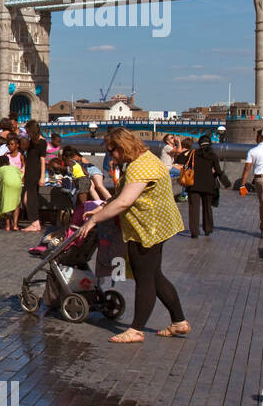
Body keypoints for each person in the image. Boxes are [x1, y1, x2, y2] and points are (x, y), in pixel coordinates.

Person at [77, 128, 187, 343]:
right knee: (154, 275)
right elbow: (120, 197)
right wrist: (101, 208)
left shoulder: (139, 167)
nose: (112, 155)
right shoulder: (147, 159)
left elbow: (125, 201)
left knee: (144, 279)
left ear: (122, 146)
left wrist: (94, 220)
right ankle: (179, 321)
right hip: (159, 225)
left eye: (113, 151)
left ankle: (136, 329)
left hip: (147, 229)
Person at [186, 134, 229, 238]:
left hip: (193, 185)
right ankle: (207, 229)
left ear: (199, 144)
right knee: (207, 207)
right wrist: (226, 182)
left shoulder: (193, 154)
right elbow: (218, 171)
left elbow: (184, 163)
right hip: (208, 185)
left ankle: (194, 232)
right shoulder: (213, 155)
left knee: (193, 209)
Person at [21, 120, 47, 233]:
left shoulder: (42, 142)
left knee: (31, 198)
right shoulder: (32, 142)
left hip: (35, 172)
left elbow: (43, 160)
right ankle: (34, 221)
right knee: (28, 198)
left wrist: (42, 177)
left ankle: (35, 223)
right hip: (29, 171)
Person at [0, 154, 23, 230]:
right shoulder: (14, 168)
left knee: (6, 204)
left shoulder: (0, 170)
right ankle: (15, 225)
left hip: (7, 186)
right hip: (17, 185)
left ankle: (7, 225)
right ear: (8, 162)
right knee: (16, 204)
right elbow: (21, 175)